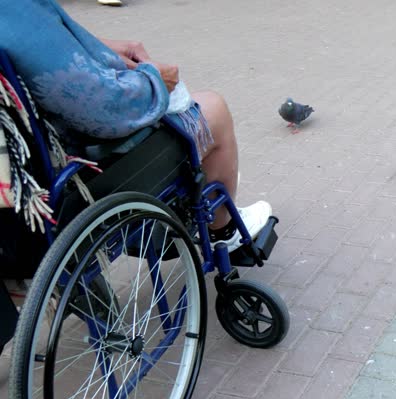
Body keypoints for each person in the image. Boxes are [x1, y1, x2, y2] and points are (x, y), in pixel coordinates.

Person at [0, 0, 270, 252]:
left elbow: (42, 49)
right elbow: (105, 108)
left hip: (22, 179)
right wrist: (154, 79)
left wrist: (97, 49)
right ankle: (223, 232)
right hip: (71, 180)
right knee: (213, 109)